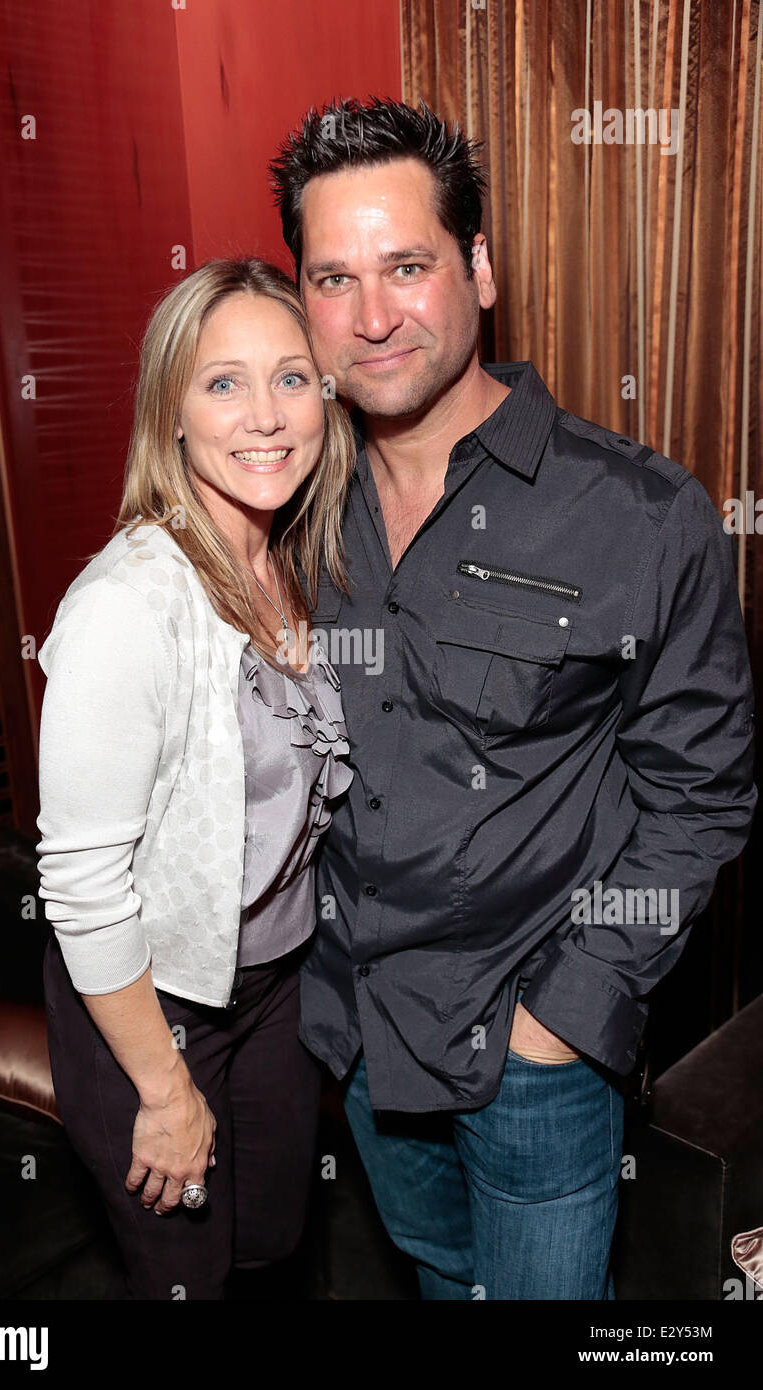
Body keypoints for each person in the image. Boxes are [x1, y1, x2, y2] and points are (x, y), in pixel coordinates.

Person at [268, 96, 757, 1300]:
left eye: (405, 266)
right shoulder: (282, 507)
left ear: (477, 270)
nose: (372, 315)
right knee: (436, 1281)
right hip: (357, 1032)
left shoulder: (639, 513)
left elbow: (699, 796)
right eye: (333, 277)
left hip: (532, 1053)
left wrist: (568, 1011)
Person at [35, 258, 355, 1300]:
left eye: (291, 378)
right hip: (147, 1007)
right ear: (170, 411)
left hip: (269, 989)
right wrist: (164, 1088)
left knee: (268, 1250)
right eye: (222, 382)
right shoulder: (129, 605)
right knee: (185, 1277)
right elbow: (82, 886)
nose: (264, 416)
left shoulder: (295, 556)